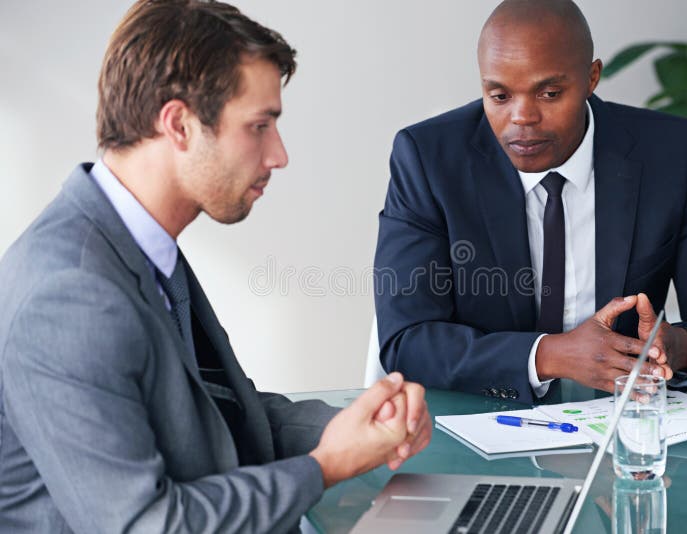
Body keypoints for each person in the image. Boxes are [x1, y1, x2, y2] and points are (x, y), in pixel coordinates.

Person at [0, 1, 431, 532]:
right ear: (179, 124)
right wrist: (326, 465)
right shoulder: (68, 296)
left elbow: (217, 412)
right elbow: (146, 525)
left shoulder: (136, 243)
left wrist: (353, 425)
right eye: (259, 126)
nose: (279, 154)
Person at [374, 0, 687, 404]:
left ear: (592, 77)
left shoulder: (668, 154)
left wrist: (676, 346)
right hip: (482, 418)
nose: (522, 117)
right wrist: (551, 356)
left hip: (622, 426)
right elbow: (407, 338)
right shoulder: (429, 159)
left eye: (550, 92)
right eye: (500, 95)